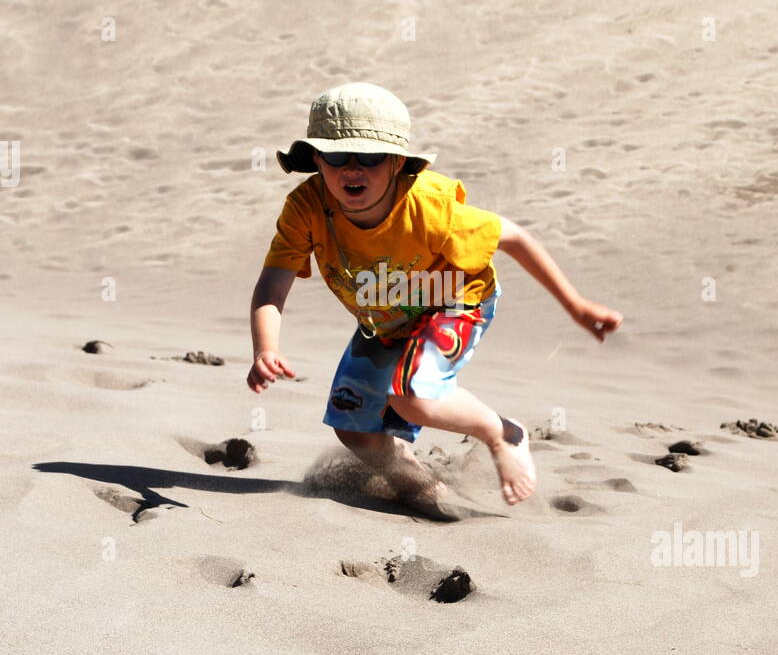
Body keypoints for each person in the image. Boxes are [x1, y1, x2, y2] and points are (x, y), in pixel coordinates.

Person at [248, 82, 621, 515]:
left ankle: (504, 433)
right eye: (336, 156)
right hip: (385, 319)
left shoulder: (428, 206)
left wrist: (576, 306)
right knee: (354, 428)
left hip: (456, 300)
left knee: (412, 397)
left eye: (369, 157)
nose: (353, 169)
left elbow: (514, 237)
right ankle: (421, 486)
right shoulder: (305, 209)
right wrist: (265, 348)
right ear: (315, 158)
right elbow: (273, 285)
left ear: (398, 162)